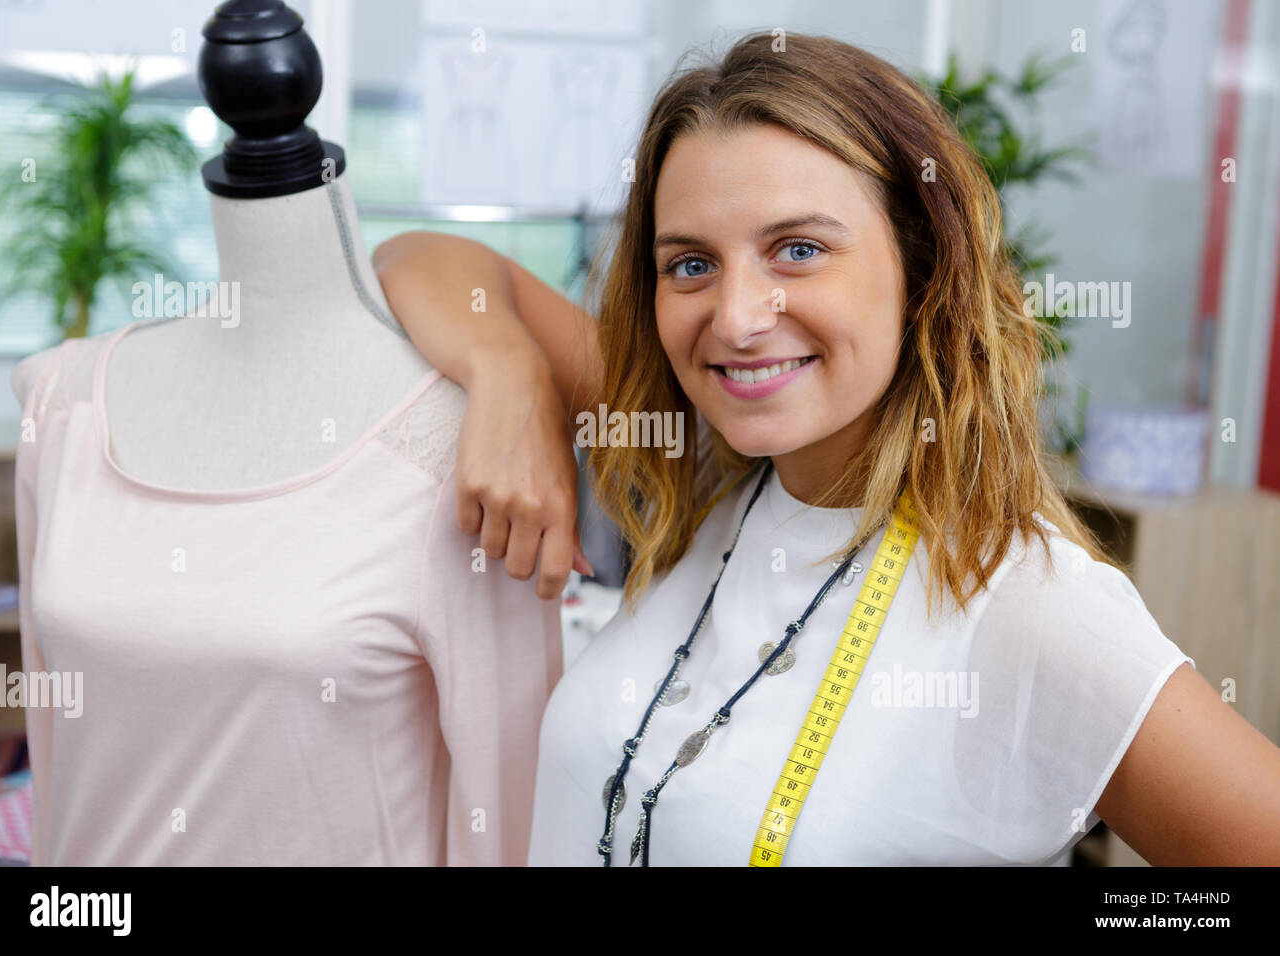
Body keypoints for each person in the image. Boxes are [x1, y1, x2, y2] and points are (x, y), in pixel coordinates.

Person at [374, 32, 1280, 865]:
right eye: (690, 262)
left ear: (922, 269)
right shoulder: (709, 458)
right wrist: (509, 379)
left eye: (798, 250)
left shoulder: (1024, 600)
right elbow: (417, 259)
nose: (735, 317)